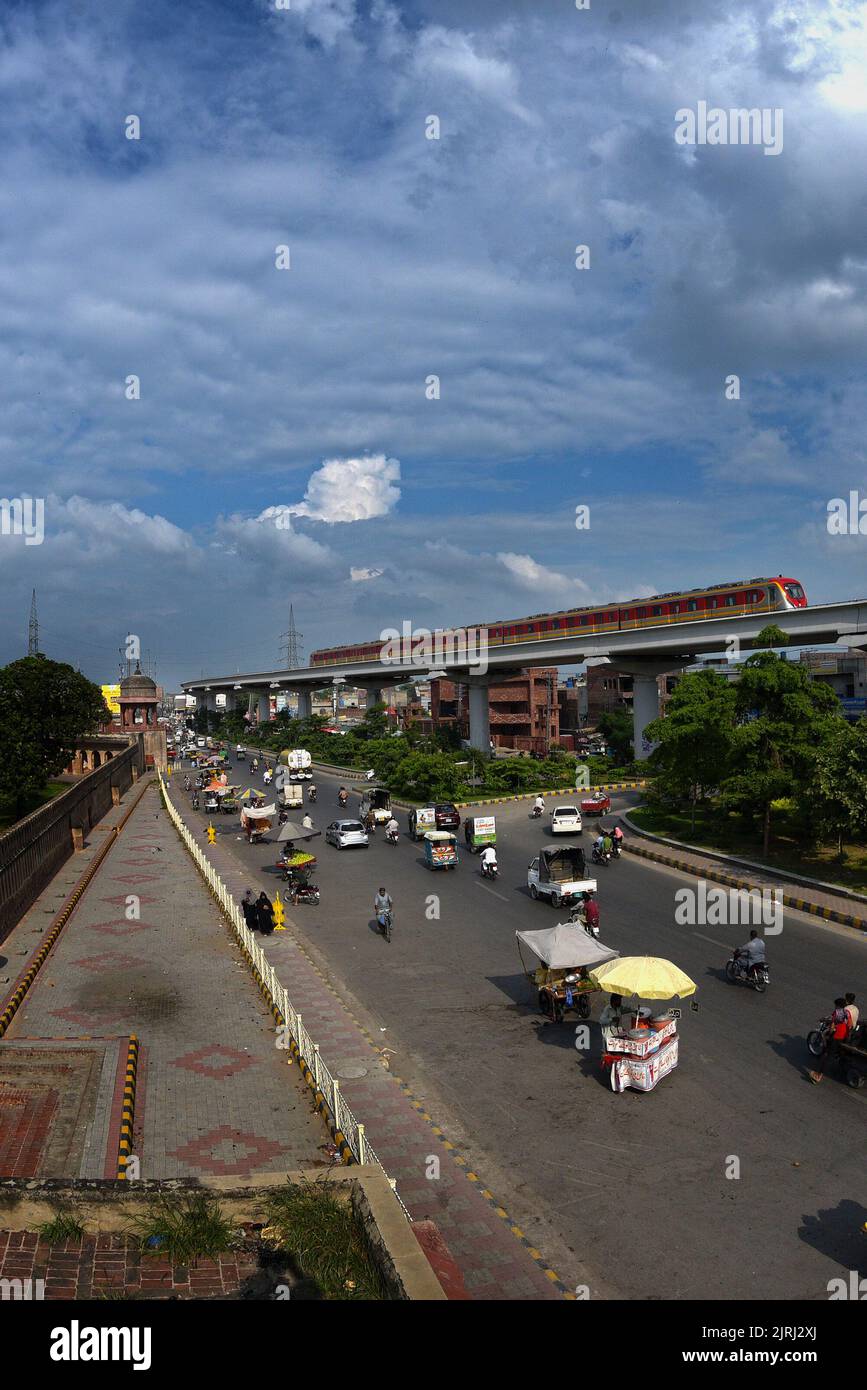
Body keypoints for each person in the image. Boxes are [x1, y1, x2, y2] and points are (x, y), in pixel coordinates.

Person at [809, 998, 850, 1084]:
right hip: (844, 1035)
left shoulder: (837, 1012)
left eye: (835, 1005)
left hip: (837, 1036)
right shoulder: (847, 1012)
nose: (835, 1006)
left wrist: (831, 1031)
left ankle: (818, 1075)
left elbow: (832, 1026)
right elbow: (849, 1024)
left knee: (827, 1055)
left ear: (838, 1005)